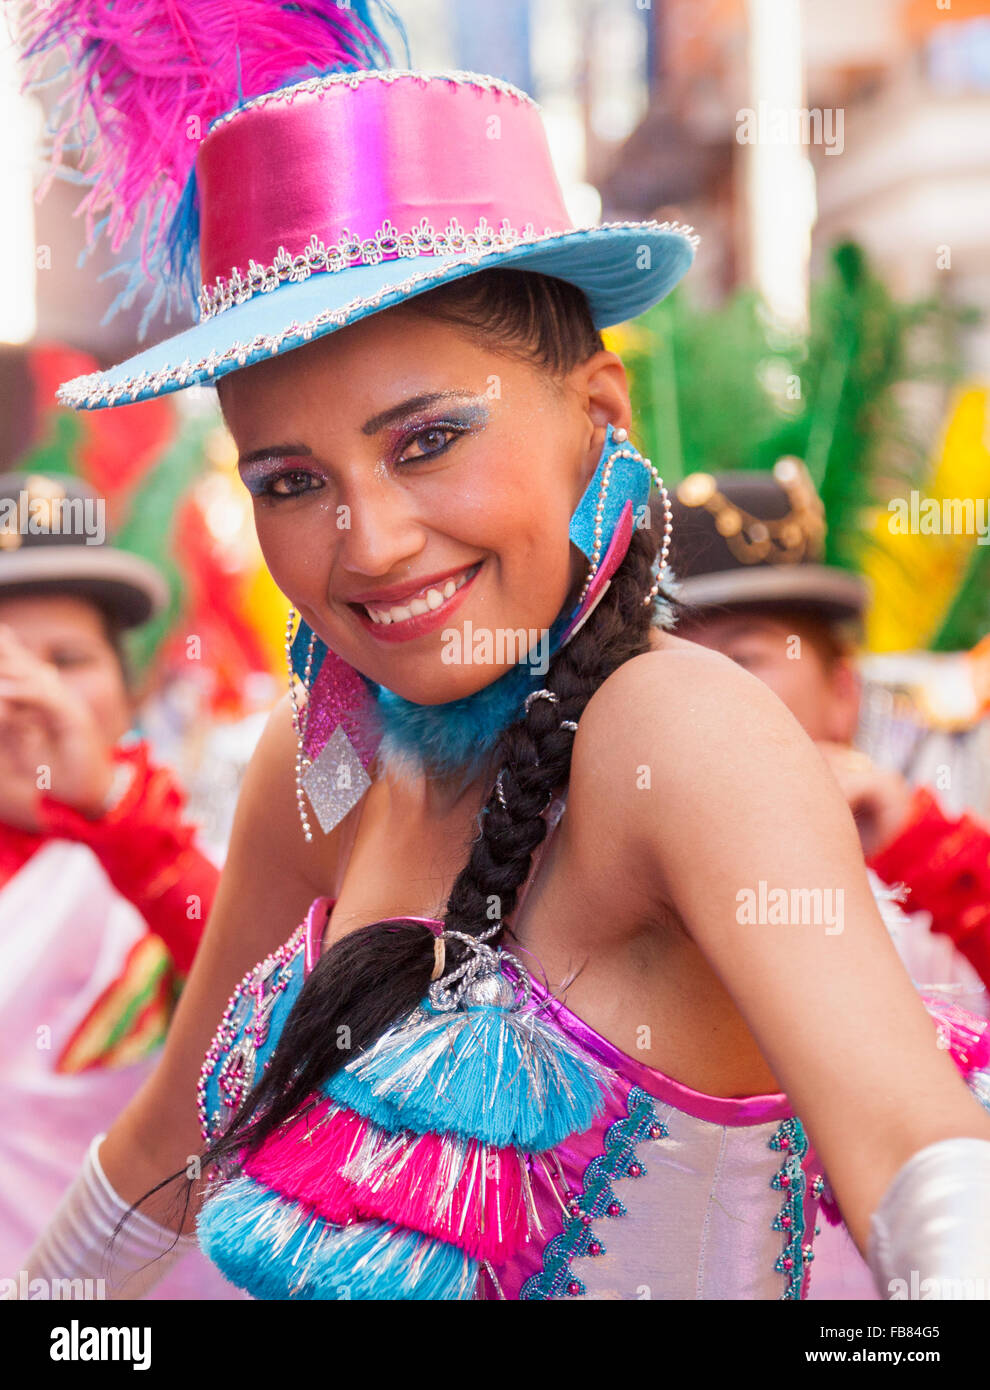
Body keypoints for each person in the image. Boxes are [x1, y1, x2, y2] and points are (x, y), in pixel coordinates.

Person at [9, 0, 990, 1302]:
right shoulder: (316, 768)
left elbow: (920, 1166)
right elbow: (159, 1159)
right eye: (292, 480)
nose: (367, 542)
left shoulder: (672, 737)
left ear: (596, 411)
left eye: (426, 441)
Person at [0, 470, 239, 1297]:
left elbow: (276, 1013)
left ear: (130, 688)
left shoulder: (194, 861)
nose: (30, 699)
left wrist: (108, 810)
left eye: (66, 661)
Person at [668, 463, 990, 1009]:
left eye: (744, 656)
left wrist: (921, 848)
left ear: (843, 693)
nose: (710, 688)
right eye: (675, 661)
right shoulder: (615, 869)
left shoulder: (915, 867)